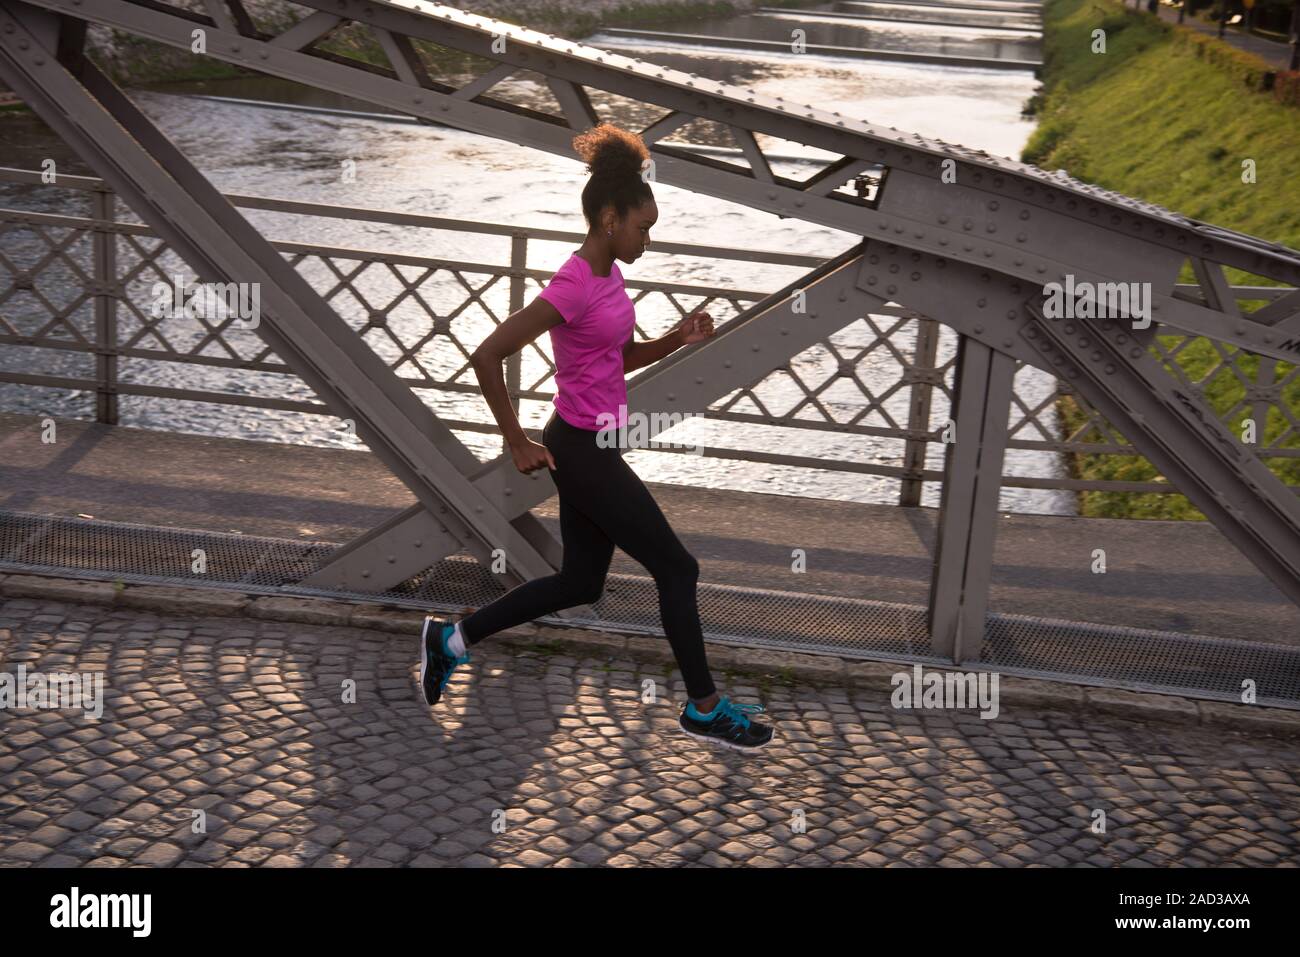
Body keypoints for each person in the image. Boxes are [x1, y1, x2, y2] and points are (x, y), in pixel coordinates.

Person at [417, 122, 773, 751]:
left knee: (581, 583)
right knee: (678, 568)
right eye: (643, 227)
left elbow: (618, 357)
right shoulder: (576, 282)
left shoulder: (610, 277)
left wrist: (677, 341)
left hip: (596, 447)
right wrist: (516, 440)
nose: (648, 238)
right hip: (580, 451)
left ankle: (451, 640)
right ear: (610, 218)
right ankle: (703, 707)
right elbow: (486, 355)